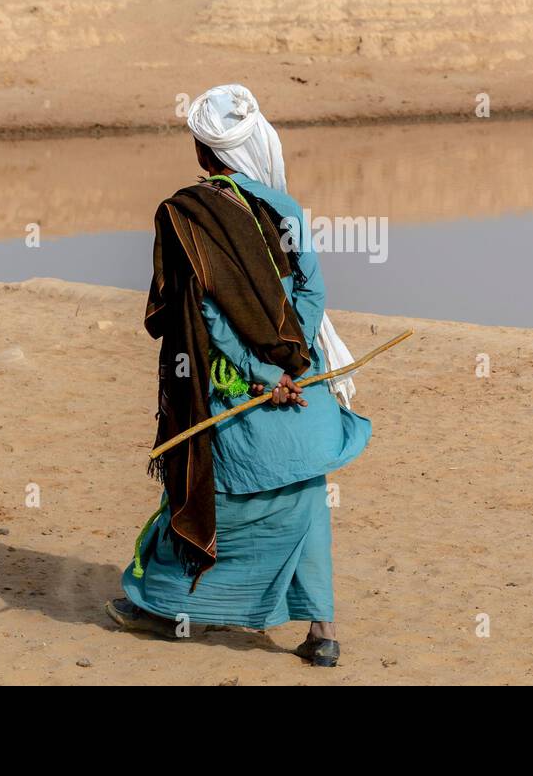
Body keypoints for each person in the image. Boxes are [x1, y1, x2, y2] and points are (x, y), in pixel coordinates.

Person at [105, 84, 371, 668]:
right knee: (304, 499)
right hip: (306, 390)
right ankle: (322, 632)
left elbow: (203, 316)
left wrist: (260, 372)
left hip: (238, 390)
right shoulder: (287, 210)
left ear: (204, 154)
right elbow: (312, 292)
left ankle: (158, 605)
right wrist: (293, 363)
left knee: (206, 492)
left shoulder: (184, 216)